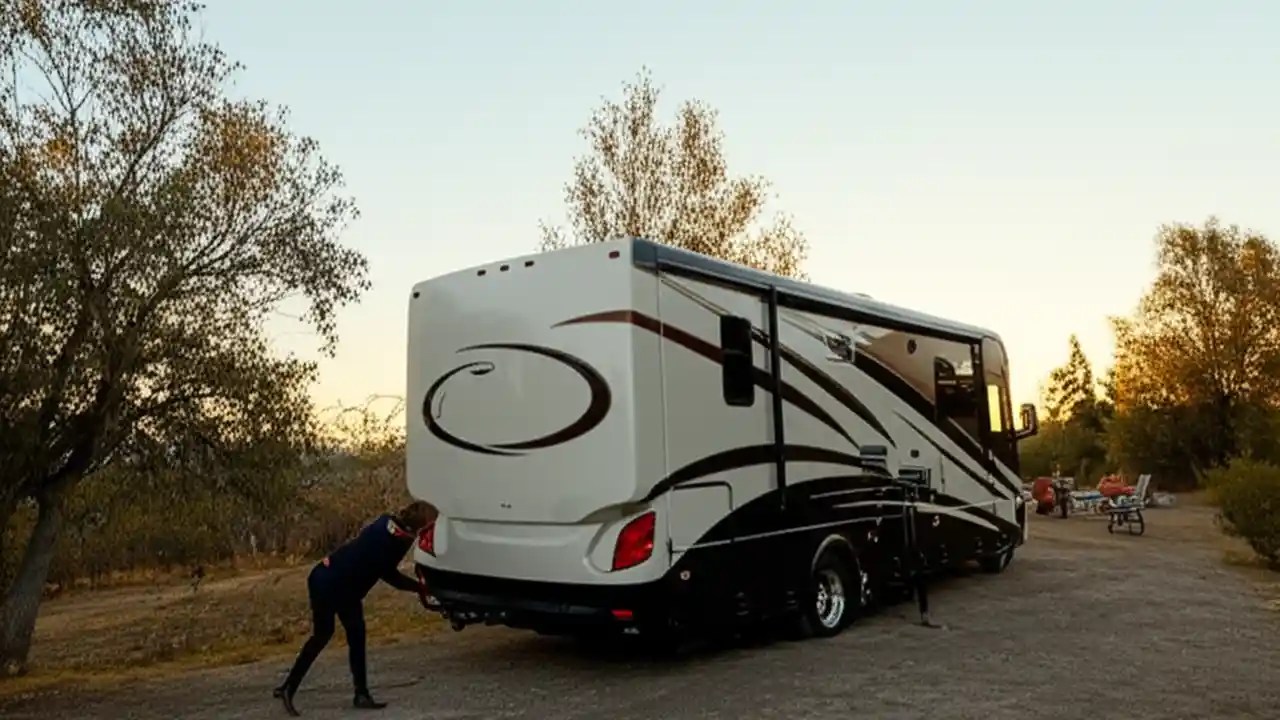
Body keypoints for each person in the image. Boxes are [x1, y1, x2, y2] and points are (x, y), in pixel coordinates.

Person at [273, 500, 438, 716]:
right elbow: (390, 575)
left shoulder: (390, 526)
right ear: (418, 526)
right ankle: (288, 688)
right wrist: (421, 588)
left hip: (347, 586)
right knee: (323, 635)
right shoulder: (388, 540)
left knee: (357, 635)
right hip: (327, 581)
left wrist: (420, 587)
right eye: (428, 526)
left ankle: (361, 694)